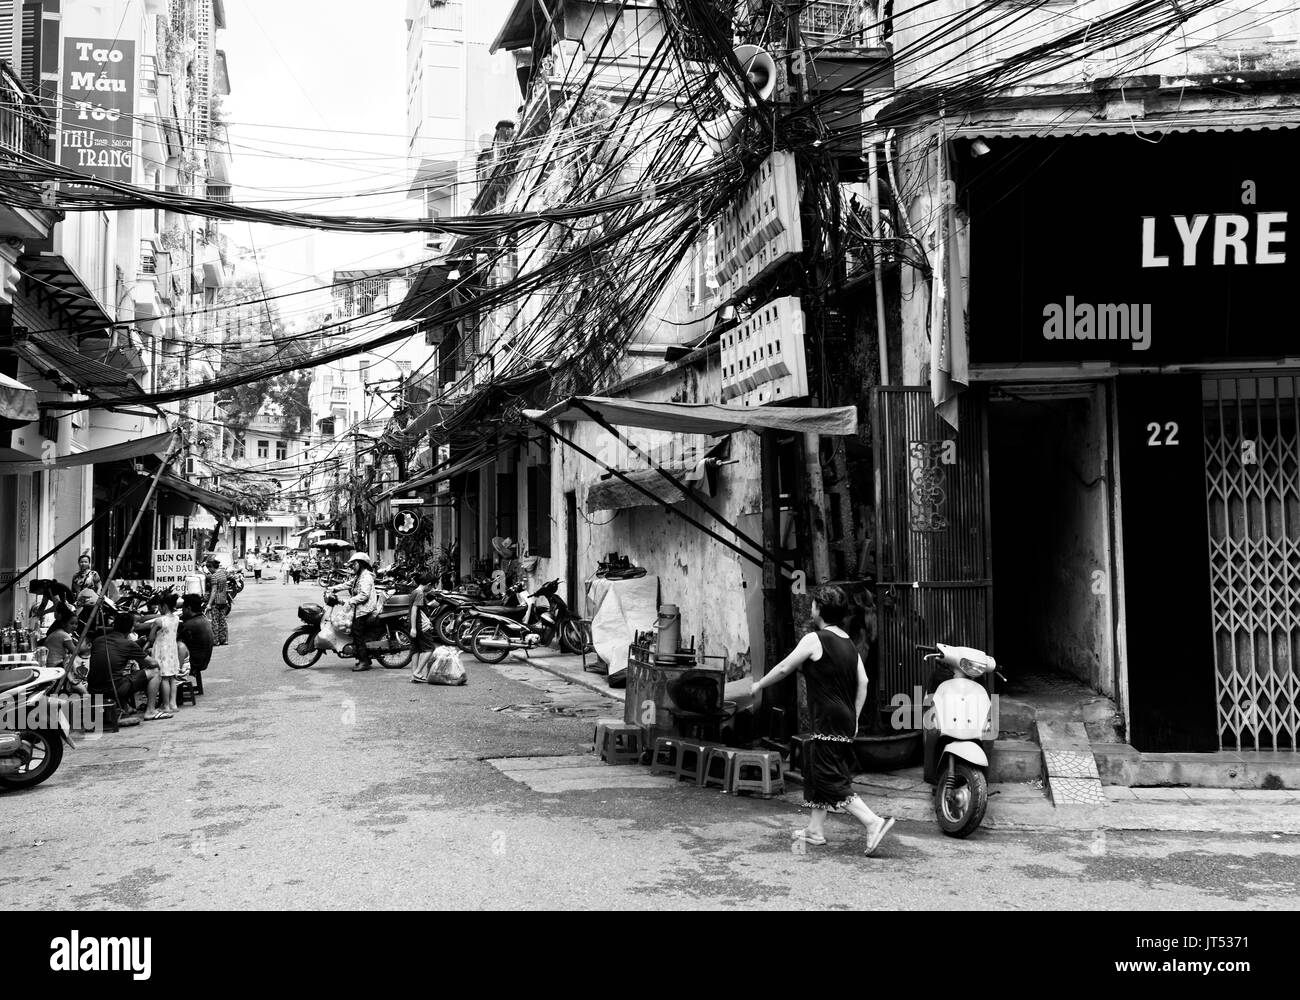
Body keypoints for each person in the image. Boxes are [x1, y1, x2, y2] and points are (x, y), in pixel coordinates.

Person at [751, 584, 895, 856]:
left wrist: (759, 685)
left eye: (814, 604)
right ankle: (815, 831)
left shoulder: (815, 639)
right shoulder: (848, 643)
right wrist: (854, 715)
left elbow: (784, 667)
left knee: (828, 776)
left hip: (828, 717)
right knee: (817, 770)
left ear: (818, 609)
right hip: (842, 717)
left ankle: (872, 822)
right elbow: (863, 681)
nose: (812, 608)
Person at [87, 612, 164, 720]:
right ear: (132, 628)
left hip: (93, 689)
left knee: (119, 675)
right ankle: (151, 711)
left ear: (114, 625)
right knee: (154, 672)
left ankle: (126, 707)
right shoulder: (128, 644)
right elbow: (153, 663)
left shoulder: (97, 641)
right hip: (113, 688)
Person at [343, 553, 380, 672]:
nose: (352, 566)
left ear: (361, 564)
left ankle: (364, 662)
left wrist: (350, 601)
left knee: (356, 632)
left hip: (365, 610)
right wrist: (333, 588)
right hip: (359, 609)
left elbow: (364, 595)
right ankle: (364, 657)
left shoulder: (366, 577)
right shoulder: (360, 576)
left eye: (354, 564)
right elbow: (348, 584)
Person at [146, 593, 182, 714]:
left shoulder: (159, 621)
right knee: (172, 678)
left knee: (164, 679)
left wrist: (152, 629)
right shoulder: (176, 619)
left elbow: (151, 639)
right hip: (172, 651)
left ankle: (166, 705)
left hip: (162, 652)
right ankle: (173, 703)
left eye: (159, 607)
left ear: (164, 606)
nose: (158, 609)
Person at [178, 594, 214, 696]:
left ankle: (173, 688)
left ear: (188, 608)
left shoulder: (191, 624)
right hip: (202, 659)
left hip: (196, 662)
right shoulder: (202, 618)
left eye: (183, 608)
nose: (182, 611)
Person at [204, 558, 230, 646]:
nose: (209, 571)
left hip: (216, 601)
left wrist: (209, 604)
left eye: (209, 569)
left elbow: (214, 591)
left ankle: (216, 641)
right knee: (222, 620)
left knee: (215, 621)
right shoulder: (223, 574)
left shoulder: (214, 576)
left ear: (211, 567)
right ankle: (224, 639)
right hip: (223, 600)